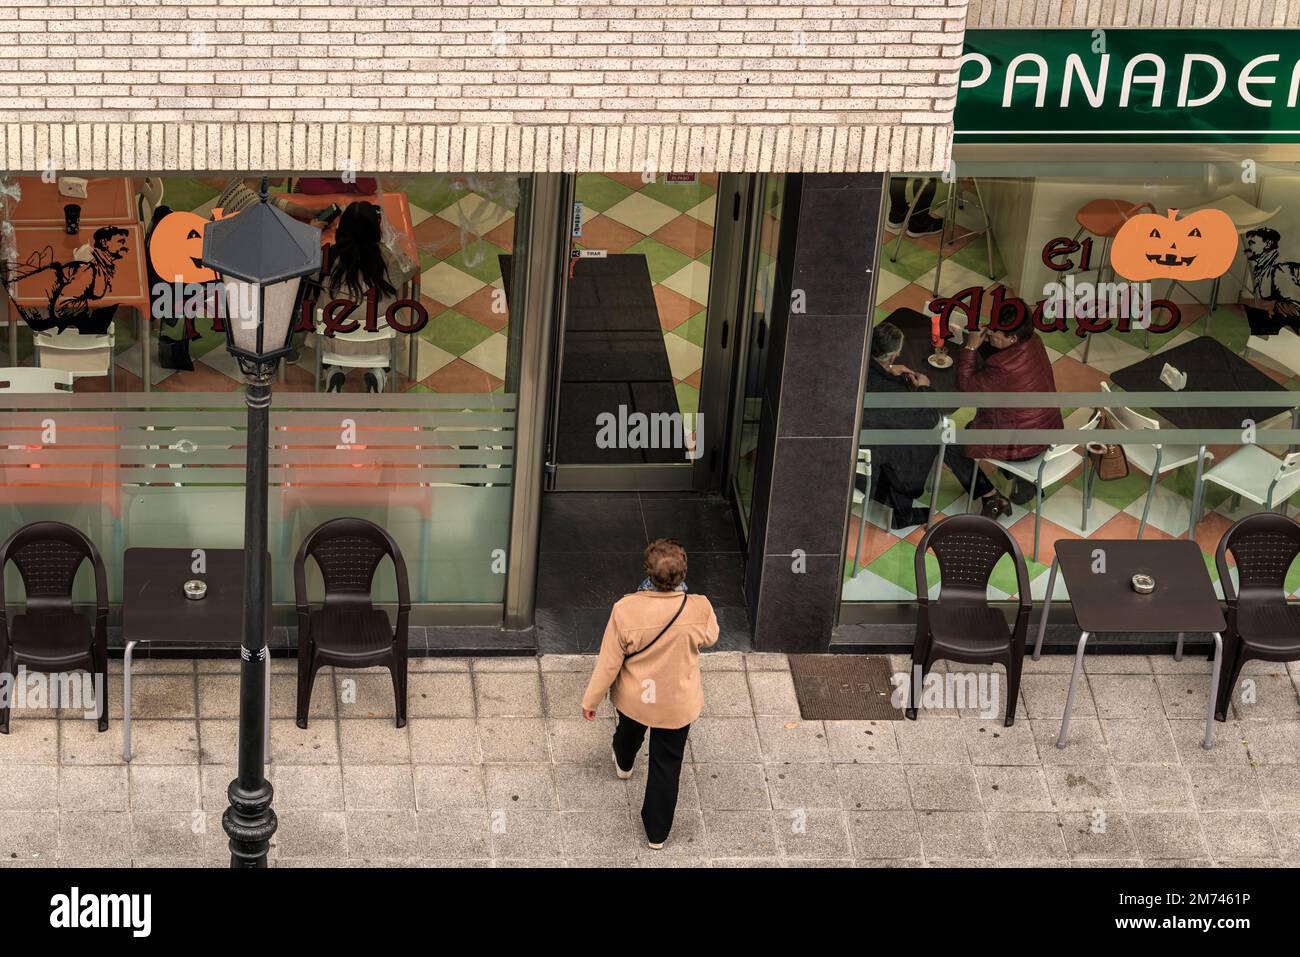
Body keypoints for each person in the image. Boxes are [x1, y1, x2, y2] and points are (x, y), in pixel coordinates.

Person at [581, 539, 719, 850]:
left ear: (648, 572)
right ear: (683, 573)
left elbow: (608, 663)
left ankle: (625, 763)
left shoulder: (626, 609)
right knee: (667, 764)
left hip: (637, 697)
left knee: (629, 732)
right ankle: (656, 834)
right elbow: (711, 636)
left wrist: (591, 701)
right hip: (677, 702)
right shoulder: (699, 606)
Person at [860, 322, 1010, 528]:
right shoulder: (890, 395)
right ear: (893, 355)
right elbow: (928, 419)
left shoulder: (857, 366)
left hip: (850, 455)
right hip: (880, 471)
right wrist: (924, 389)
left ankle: (990, 495)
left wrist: (888, 371)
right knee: (943, 433)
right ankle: (903, 514)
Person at [957, 320, 1063, 505]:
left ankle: (992, 499)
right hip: (1046, 430)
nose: (989, 331)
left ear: (1013, 338)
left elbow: (967, 389)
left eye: (994, 330)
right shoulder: (1033, 339)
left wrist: (971, 347)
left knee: (952, 446)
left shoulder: (1002, 368)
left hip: (1023, 445)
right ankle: (1022, 479)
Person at [317, 201, 419, 393]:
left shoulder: (328, 257)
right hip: (379, 337)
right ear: (376, 229)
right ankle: (379, 373)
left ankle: (332, 371)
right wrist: (392, 246)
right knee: (394, 299)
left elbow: (312, 278)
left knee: (321, 302)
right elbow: (410, 268)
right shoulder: (387, 257)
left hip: (335, 336)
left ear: (341, 228)